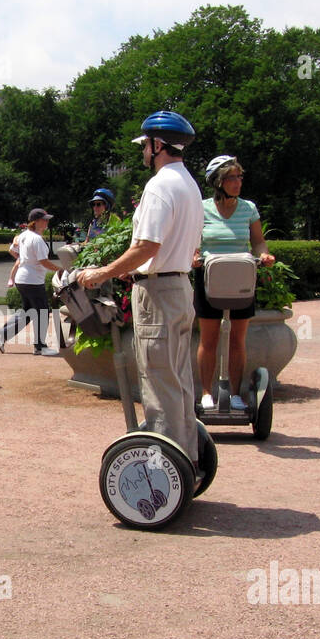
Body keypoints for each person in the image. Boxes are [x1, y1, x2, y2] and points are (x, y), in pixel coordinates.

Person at [76, 111, 203, 468]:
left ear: (157, 144)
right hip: (179, 288)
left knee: (159, 383)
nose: (142, 152)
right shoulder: (190, 184)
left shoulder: (160, 185)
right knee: (179, 381)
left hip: (158, 293)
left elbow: (147, 246)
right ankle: (188, 459)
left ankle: (163, 470)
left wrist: (103, 271)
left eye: (145, 146)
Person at [193, 154, 274, 413]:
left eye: (240, 177)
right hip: (209, 276)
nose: (238, 182)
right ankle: (206, 393)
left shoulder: (248, 208)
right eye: (231, 178)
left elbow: (258, 240)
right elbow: (192, 241)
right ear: (218, 182)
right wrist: (194, 255)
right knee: (209, 339)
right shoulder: (201, 209)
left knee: (238, 339)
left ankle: (236, 394)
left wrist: (263, 254)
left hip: (240, 276)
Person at [0, 208, 63, 356]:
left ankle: (3, 333)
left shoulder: (23, 235)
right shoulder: (37, 239)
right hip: (32, 281)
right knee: (42, 312)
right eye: (44, 219)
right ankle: (40, 347)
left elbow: (12, 251)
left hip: (22, 279)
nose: (47, 222)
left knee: (29, 312)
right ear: (36, 221)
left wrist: (24, 259)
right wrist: (60, 269)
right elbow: (44, 261)